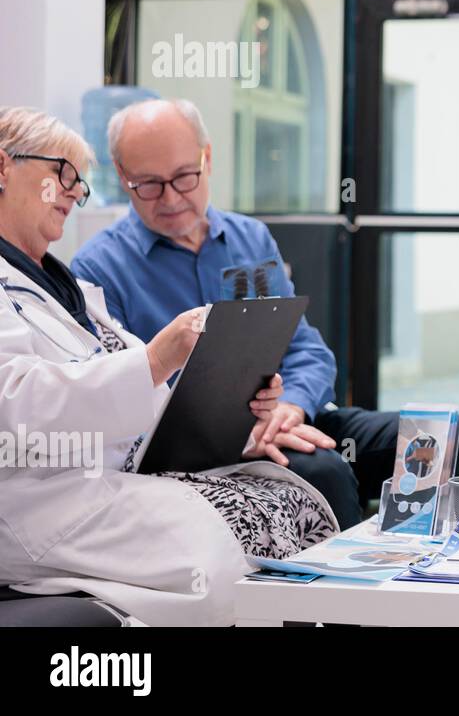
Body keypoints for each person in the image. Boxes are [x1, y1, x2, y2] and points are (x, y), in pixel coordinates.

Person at [71, 99, 459, 530]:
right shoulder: (99, 270)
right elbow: (123, 395)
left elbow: (306, 348)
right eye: (149, 184)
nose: (172, 198)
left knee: (450, 438)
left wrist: (292, 406)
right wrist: (249, 427)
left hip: (292, 417)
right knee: (323, 471)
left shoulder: (250, 238)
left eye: (184, 177)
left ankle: (432, 574)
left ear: (206, 158)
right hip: (205, 452)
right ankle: (350, 594)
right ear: (122, 176)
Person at [0, 107, 337, 626]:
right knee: (225, 548)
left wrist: (241, 424)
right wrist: (157, 357)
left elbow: (147, 394)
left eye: (79, 182)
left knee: (294, 494)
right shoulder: (88, 269)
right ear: (3, 167)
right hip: (46, 500)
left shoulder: (66, 287)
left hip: (122, 471)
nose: (73, 192)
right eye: (62, 174)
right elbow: (18, 401)